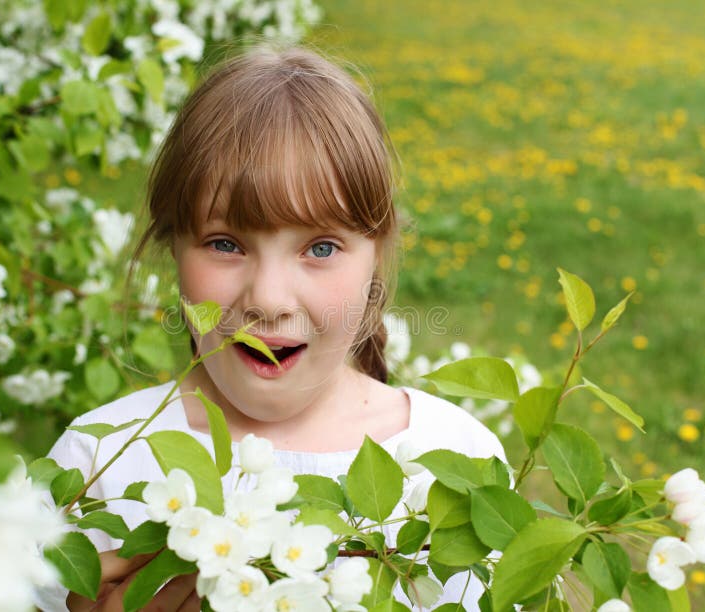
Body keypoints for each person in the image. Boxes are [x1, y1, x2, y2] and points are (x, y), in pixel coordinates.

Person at [39, 44, 505, 612]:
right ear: (174, 249)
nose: (268, 300)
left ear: (376, 258)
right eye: (225, 244)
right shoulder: (99, 465)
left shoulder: (453, 459)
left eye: (321, 247)